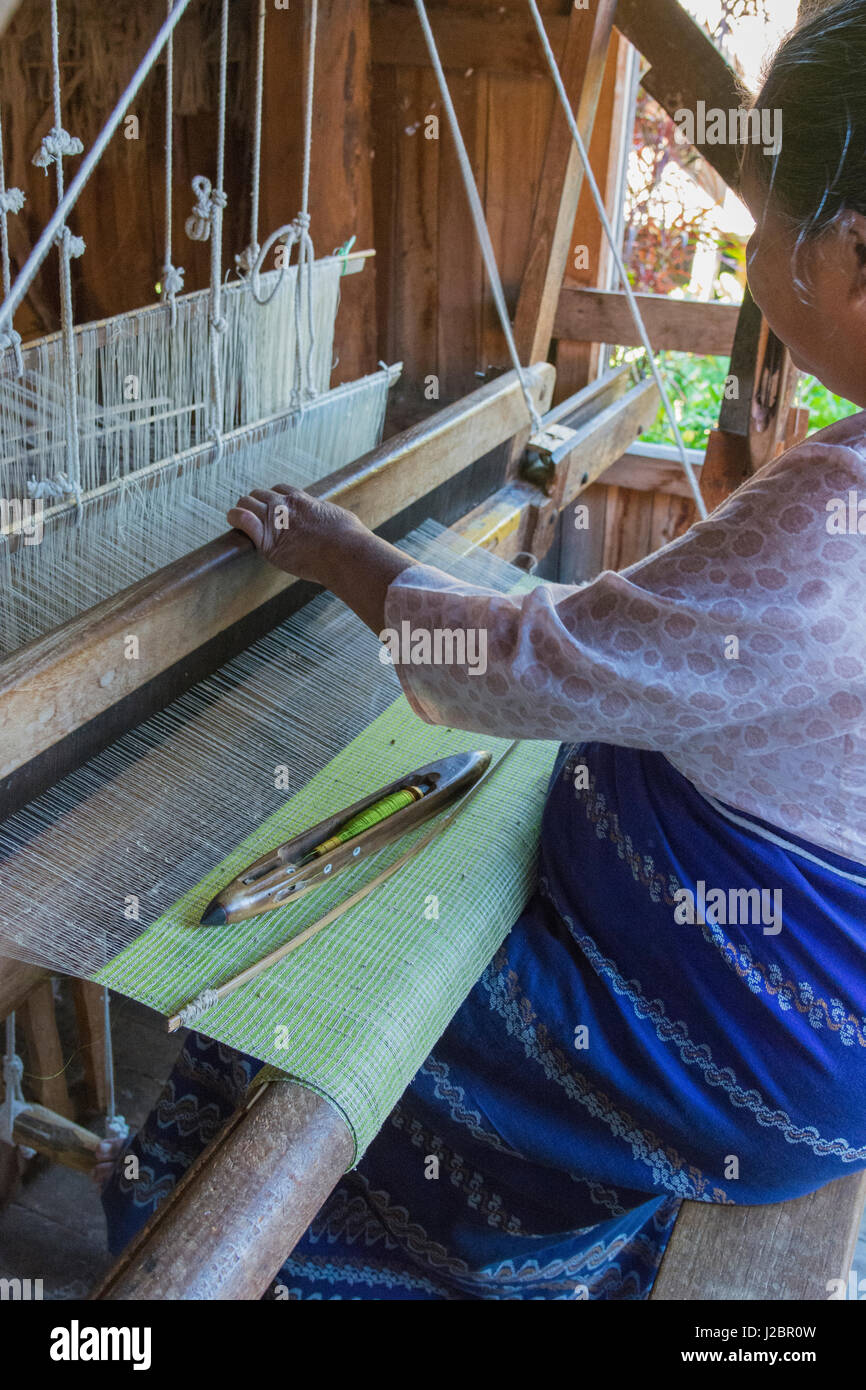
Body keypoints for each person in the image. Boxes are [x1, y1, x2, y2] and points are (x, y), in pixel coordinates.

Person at [102, 0, 866, 1299]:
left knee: (274, 1032)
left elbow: (520, 669)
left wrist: (343, 548)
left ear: (851, 251)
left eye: (759, 225)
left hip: (739, 1049)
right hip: (802, 1042)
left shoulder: (829, 529)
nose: (746, 254)